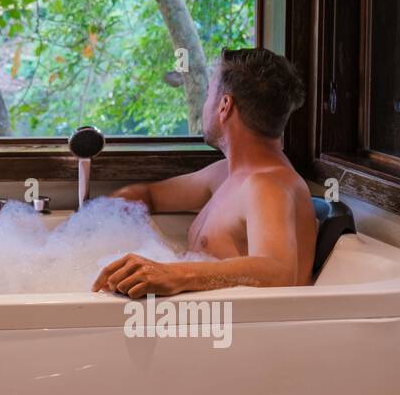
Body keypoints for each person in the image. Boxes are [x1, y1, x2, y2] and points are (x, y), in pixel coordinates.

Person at [92, 48, 316, 298]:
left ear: (224, 106)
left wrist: (173, 274)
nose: (204, 103)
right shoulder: (226, 175)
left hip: (244, 334)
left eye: (209, 92)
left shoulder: (269, 185)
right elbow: (150, 195)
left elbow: (279, 272)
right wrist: (94, 220)